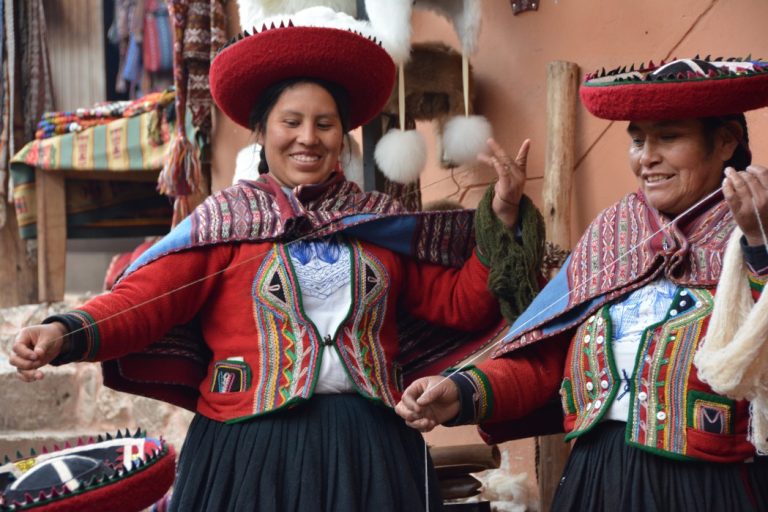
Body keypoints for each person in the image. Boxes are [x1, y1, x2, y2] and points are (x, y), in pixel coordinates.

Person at [8, 21, 546, 512]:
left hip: (371, 451)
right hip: (249, 452)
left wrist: (500, 212)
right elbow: (145, 301)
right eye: (291, 122)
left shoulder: (378, 221)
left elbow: (459, 302)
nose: (308, 137)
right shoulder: (227, 220)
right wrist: (64, 332)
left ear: (343, 137)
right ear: (262, 132)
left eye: (325, 124)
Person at [396, 56, 768, 511]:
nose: (646, 157)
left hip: (716, 488)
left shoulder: (756, 232)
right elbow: (547, 358)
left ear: (726, 141)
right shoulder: (614, 235)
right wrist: (460, 391)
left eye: (668, 137)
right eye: (637, 140)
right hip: (597, 480)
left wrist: (756, 243)